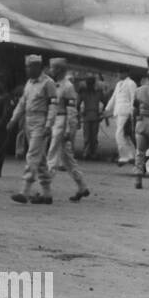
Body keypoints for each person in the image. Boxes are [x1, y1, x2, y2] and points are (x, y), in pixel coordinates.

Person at [9, 54, 57, 204]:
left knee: (32, 156)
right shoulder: (29, 83)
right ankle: (47, 194)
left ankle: (25, 191)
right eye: (26, 67)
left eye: (29, 67)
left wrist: (48, 125)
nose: (27, 69)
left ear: (37, 67)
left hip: (40, 122)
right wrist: (13, 119)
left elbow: (53, 106)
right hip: (28, 120)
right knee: (40, 160)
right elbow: (22, 103)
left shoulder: (48, 83)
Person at [45, 58, 89, 201]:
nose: (50, 70)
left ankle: (45, 189)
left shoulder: (68, 86)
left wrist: (70, 129)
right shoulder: (53, 84)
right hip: (56, 120)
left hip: (62, 122)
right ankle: (82, 186)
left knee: (52, 155)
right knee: (67, 159)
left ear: (59, 70)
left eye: (52, 68)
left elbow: (71, 110)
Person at [104, 70, 138, 166]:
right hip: (118, 112)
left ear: (126, 73)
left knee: (119, 134)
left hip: (126, 112)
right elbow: (114, 97)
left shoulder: (131, 83)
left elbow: (133, 98)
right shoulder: (118, 84)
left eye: (121, 72)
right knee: (125, 136)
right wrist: (107, 109)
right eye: (118, 73)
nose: (119, 74)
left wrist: (132, 113)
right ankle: (132, 155)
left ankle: (124, 157)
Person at [78, 74, 104, 160]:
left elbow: (77, 104)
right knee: (93, 136)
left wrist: (79, 114)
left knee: (87, 136)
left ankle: (87, 152)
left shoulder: (83, 92)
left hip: (87, 116)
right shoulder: (98, 92)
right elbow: (104, 101)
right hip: (95, 116)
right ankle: (93, 152)